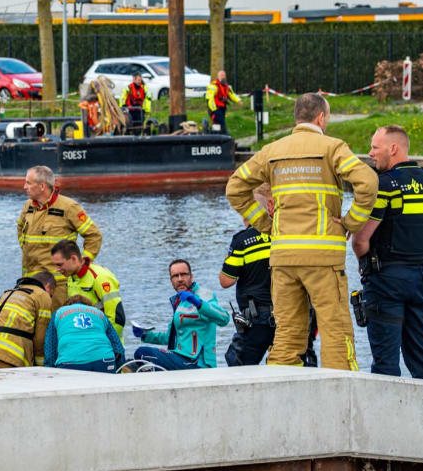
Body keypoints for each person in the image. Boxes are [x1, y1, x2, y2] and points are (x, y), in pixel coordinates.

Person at [225, 92, 378, 371]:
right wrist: (351, 222)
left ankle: (283, 392)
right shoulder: (332, 148)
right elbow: (368, 182)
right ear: (321, 117)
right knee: (335, 329)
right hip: (323, 257)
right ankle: (339, 395)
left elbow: (235, 188)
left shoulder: (272, 151)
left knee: (286, 333)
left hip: (283, 257)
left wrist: (265, 225)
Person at [352, 125, 423, 380]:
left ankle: (384, 419)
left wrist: (363, 262)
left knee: (386, 364)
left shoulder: (385, 185)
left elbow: (361, 240)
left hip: (387, 280)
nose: (370, 153)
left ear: (393, 149)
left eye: (374, 147)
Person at [219, 185, 317, 367]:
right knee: (298, 362)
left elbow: (226, 281)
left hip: (257, 318)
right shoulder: (289, 235)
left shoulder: (242, 241)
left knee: (240, 366)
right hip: (292, 314)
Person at [17, 165, 102, 313]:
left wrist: (83, 264)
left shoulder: (68, 207)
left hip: (58, 286)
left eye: (29, 183)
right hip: (30, 283)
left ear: (42, 186)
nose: (25, 187)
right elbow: (20, 229)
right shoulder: (28, 206)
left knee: (57, 326)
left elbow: (94, 235)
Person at [132, 259, 230, 370]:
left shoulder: (205, 296)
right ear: (171, 281)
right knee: (136, 362)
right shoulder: (178, 302)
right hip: (178, 357)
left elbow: (224, 318)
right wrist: (145, 334)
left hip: (198, 362)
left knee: (142, 353)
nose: (180, 279)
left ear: (191, 276)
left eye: (183, 274)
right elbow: (169, 338)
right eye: (175, 276)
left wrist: (197, 303)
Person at [0, 272, 56, 369]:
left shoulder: (9, 293)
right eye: (51, 294)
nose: (50, 297)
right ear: (48, 286)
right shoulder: (42, 295)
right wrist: (42, 367)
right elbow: (40, 339)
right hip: (7, 357)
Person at [50, 240, 125, 339]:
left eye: (60, 265)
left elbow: (117, 319)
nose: (57, 269)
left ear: (73, 258)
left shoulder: (100, 277)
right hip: (84, 342)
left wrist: (106, 343)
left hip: (104, 345)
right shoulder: (71, 277)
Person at [44, 296, 125, 373]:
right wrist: (116, 369)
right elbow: (118, 347)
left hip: (70, 363)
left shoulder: (58, 313)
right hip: (104, 361)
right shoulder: (100, 313)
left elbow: (50, 348)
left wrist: (50, 371)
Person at [206, 69, 243, 136]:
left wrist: (239, 100)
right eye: (221, 75)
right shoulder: (213, 86)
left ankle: (216, 137)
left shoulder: (227, 86)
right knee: (221, 124)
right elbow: (210, 99)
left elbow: (232, 95)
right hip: (215, 109)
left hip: (222, 109)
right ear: (218, 76)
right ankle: (225, 136)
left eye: (224, 75)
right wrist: (214, 110)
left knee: (217, 125)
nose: (223, 77)